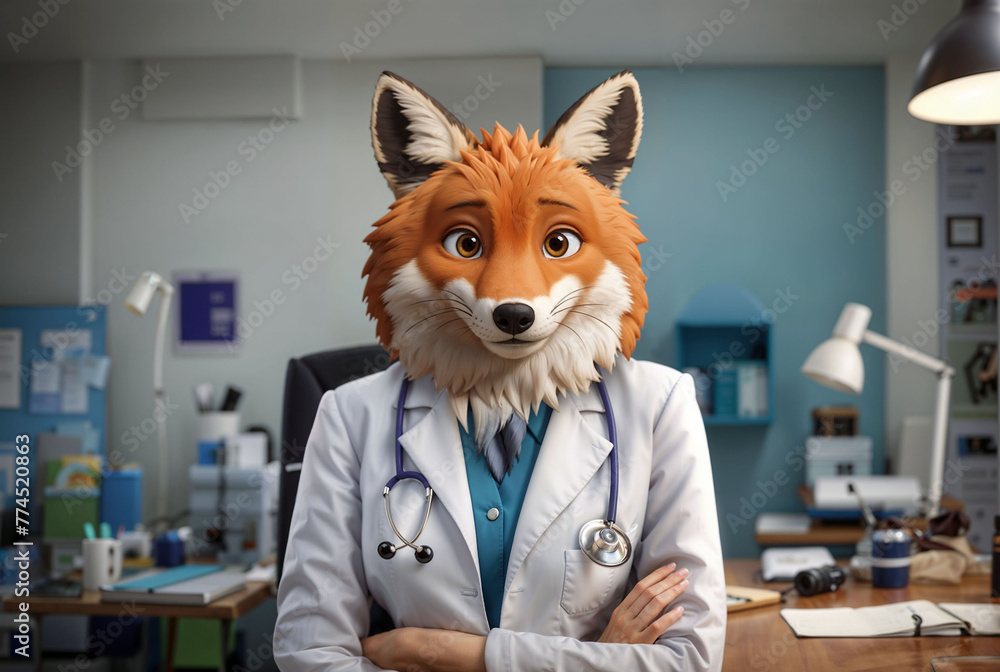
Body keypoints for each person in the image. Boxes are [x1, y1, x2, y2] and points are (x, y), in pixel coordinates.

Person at [274, 70, 726, 672]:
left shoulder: (659, 405)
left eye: (558, 244)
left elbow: (689, 660)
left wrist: (442, 654)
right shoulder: (351, 417)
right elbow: (309, 654)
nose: (512, 297)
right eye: (466, 244)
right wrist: (598, 660)